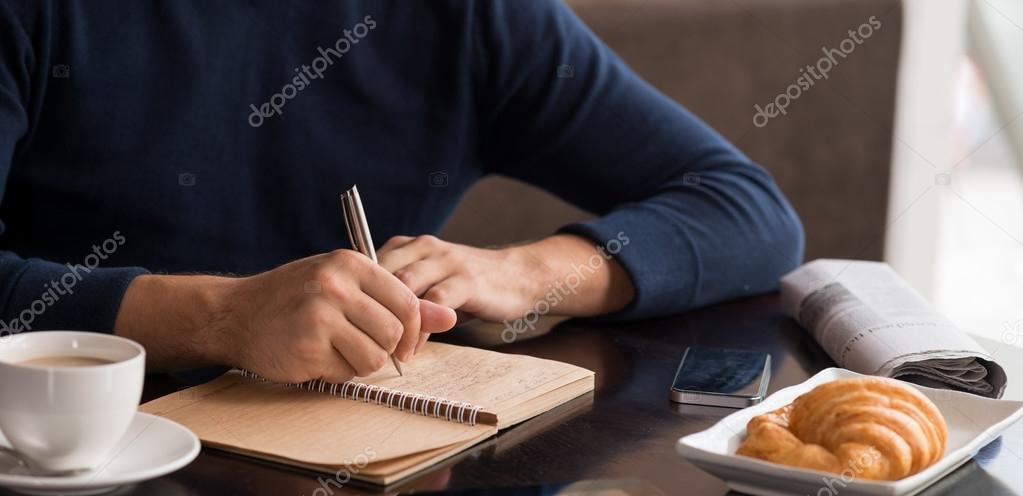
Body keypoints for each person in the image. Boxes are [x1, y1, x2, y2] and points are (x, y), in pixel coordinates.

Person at [0, 0, 803, 383]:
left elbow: (747, 211)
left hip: (361, 493)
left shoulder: (471, 17)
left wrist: (524, 272)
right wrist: (229, 317)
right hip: (63, 487)